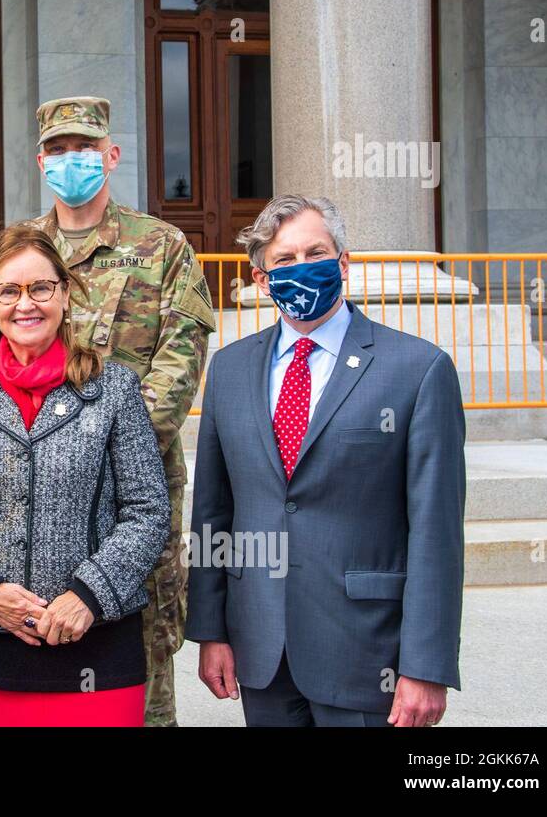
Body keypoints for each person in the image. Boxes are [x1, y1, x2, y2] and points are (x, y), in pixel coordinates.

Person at [186, 195, 466, 727]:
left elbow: (437, 533)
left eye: (315, 252)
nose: (301, 268)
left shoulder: (418, 369)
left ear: (342, 263)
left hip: (367, 655)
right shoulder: (229, 369)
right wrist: (211, 631)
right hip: (262, 653)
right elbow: (213, 515)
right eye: (284, 260)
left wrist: (426, 665)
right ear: (262, 280)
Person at [0, 225, 170, 727]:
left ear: (64, 294)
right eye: (8, 290)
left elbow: (147, 512)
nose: (24, 304)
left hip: (97, 640)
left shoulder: (114, 388)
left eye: (40, 288)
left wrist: (89, 595)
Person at [23, 96, 214, 726]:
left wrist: (109, 450)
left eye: (83, 148)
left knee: (143, 646)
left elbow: (179, 363)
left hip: (139, 488)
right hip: (36, 489)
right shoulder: (20, 252)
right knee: (44, 644)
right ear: (40, 159)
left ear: (111, 154)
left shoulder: (161, 246)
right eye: (57, 148)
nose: (69, 159)